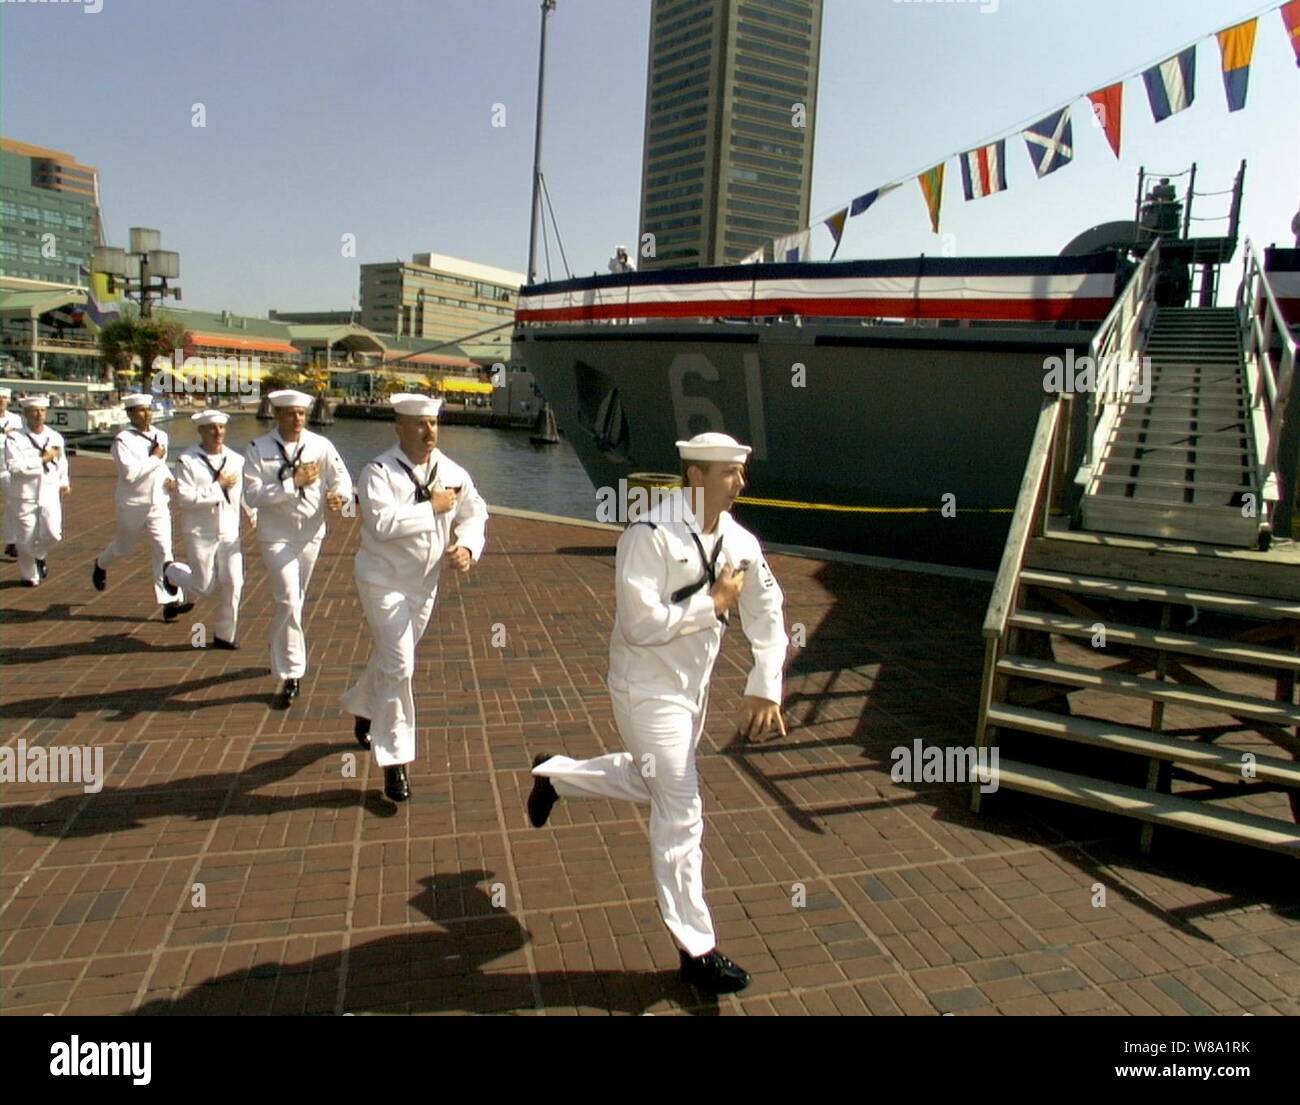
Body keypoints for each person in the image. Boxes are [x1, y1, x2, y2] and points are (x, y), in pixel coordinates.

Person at [526, 432, 788, 994]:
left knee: (654, 782)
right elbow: (639, 624)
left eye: (740, 474)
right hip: (644, 689)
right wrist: (712, 604)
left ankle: (555, 776)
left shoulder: (741, 542)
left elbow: (769, 613)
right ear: (695, 477)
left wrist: (765, 683)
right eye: (727, 474)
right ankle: (696, 948)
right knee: (681, 805)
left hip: (692, 691)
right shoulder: (648, 536)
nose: (740, 483)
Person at [341, 393, 488, 802]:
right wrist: (432, 506)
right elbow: (383, 523)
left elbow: (476, 512)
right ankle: (395, 762)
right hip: (382, 581)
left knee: (393, 658)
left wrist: (468, 546)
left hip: (424, 586)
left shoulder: (453, 472)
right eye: (420, 425)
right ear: (400, 428)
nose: (429, 433)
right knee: (402, 664)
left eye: (434, 424)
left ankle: (361, 703)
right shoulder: (378, 472)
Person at [243, 389, 352, 707]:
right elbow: (252, 495)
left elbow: (341, 478)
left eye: (302, 414)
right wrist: (293, 483)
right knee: (289, 598)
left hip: (310, 535)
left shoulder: (321, 446)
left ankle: (279, 646)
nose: (297, 419)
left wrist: (339, 496)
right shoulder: (258, 449)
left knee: (294, 600)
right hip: (275, 536)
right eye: (290, 414)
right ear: (277, 415)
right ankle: (292, 673)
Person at [162, 409, 256, 650]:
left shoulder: (236, 460)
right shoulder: (187, 461)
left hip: (229, 532)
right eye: (212, 428)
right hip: (200, 532)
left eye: (221, 428)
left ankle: (225, 634)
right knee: (204, 586)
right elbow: (185, 499)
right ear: (201, 431)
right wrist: (218, 486)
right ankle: (172, 572)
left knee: (234, 581)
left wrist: (252, 513)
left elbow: (243, 493)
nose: (218, 432)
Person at [92, 394, 191, 621]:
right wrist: (156, 458)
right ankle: (100, 563)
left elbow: (160, 466)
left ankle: (170, 601)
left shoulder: (161, 435)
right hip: (132, 504)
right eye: (140, 410)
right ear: (130, 413)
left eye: (149, 409)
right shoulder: (123, 441)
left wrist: (169, 478)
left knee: (163, 550)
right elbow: (130, 474)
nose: (147, 414)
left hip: (158, 502)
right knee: (124, 547)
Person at [3, 395, 69, 586]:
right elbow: (15, 467)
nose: (38, 414)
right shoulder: (15, 438)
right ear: (25, 414)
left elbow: (62, 462)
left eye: (42, 410)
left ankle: (39, 554)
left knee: (53, 533)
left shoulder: (55, 436)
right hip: (24, 495)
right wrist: (42, 460)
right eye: (34, 411)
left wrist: (64, 481)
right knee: (24, 538)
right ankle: (29, 575)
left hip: (49, 492)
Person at [0, 387, 23, 558]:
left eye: (3, 399)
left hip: (7, 469)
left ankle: (12, 541)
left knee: (12, 504)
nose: (1, 402)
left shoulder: (15, 419)